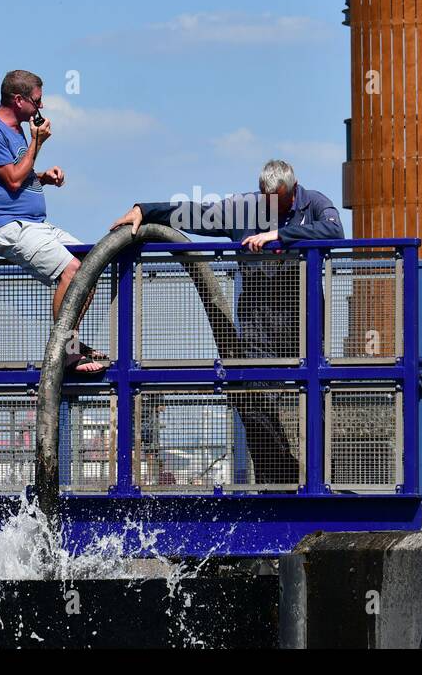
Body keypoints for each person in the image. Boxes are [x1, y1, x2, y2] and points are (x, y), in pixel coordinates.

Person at [110, 159, 344, 483]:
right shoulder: (246, 209)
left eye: (279, 201)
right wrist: (145, 210)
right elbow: (196, 214)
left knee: (313, 396)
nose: (271, 206)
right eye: (267, 201)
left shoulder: (314, 202)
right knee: (255, 400)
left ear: (293, 190)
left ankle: (319, 481)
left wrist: (282, 235)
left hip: (302, 322)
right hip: (259, 327)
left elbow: (334, 230)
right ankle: (274, 480)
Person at [0, 69, 106, 372]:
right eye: (37, 101)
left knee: (91, 263)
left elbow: (21, 173)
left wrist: (43, 176)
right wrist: (38, 142)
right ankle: (66, 352)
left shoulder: (17, 130)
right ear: (19, 100)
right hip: (8, 226)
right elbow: (14, 180)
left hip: (35, 224)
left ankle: (70, 342)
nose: (40, 108)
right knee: (73, 271)